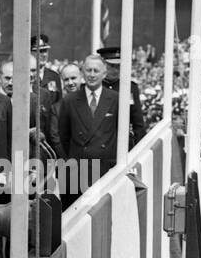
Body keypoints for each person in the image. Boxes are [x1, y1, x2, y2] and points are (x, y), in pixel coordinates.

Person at [57, 53, 119, 200]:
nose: (91, 75)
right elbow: (64, 137)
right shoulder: (69, 101)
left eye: (96, 71)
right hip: (77, 171)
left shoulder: (116, 99)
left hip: (104, 170)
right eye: (88, 70)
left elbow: (121, 135)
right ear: (82, 73)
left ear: (104, 74)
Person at [97, 45, 146, 146]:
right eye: (111, 66)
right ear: (102, 64)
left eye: (118, 66)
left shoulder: (129, 88)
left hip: (122, 144)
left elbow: (138, 123)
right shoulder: (94, 87)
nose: (116, 70)